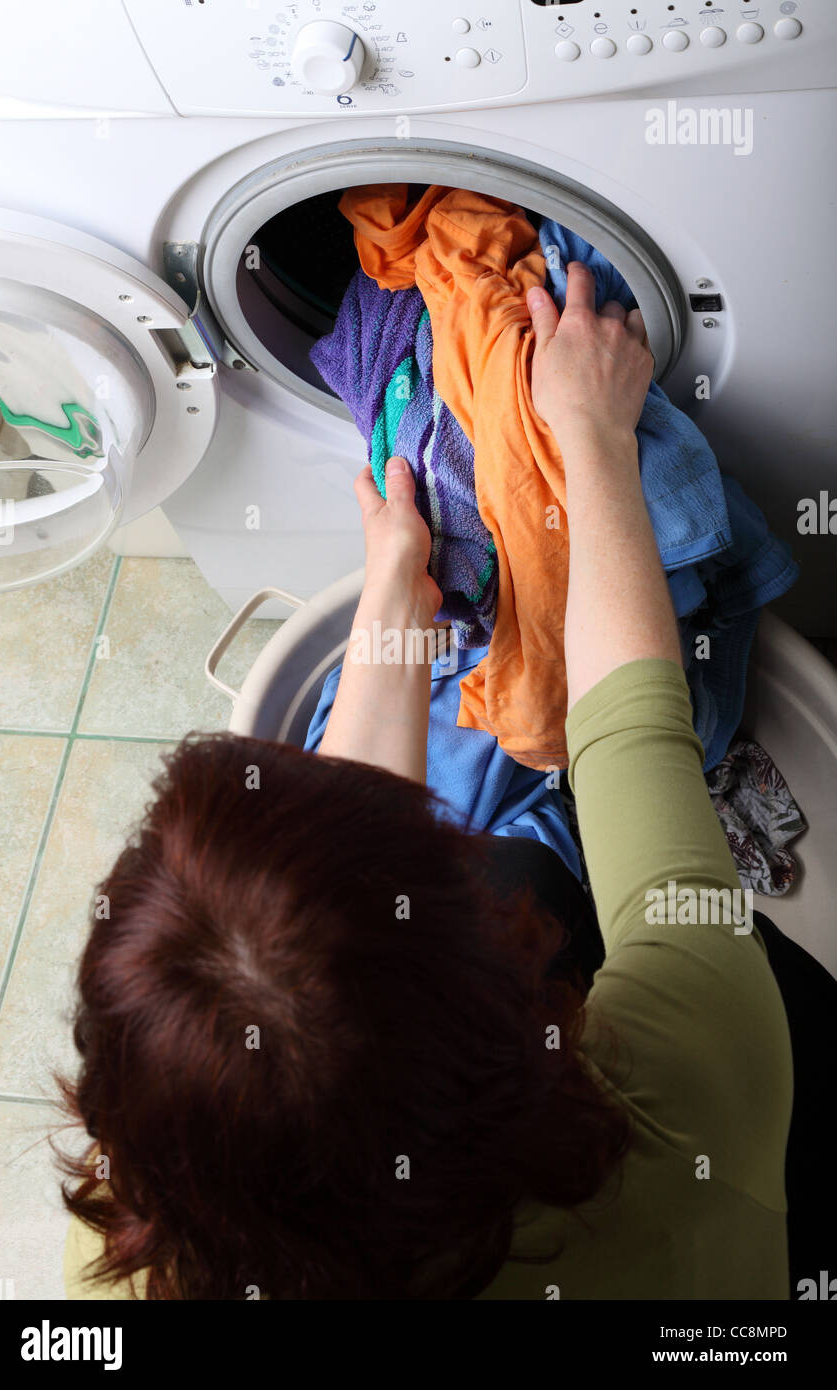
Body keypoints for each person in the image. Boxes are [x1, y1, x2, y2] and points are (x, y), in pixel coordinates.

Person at [59, 264, 802, 1301]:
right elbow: (632, 734)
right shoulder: (686, 1103)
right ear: (500, 1012)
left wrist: (397, 585)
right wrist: (591, 437)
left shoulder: (132, 1244)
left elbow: (334, 905)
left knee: (515, 864)